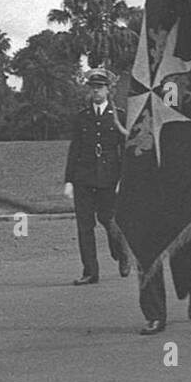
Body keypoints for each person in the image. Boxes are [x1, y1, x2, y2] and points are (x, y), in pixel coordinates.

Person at [63, 68, 130, 284]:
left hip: (109, 177)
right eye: (93, 88)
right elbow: (75, 149)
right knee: (84, 226)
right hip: (84, 177)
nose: (96, 92)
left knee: (108, 219)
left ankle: (121, 251)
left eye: (100, 88)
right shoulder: (82, 118)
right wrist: (69, 180)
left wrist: (123, 179)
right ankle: (90, 272)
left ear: (108, 90)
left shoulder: (119, 116)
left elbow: (125, 150)